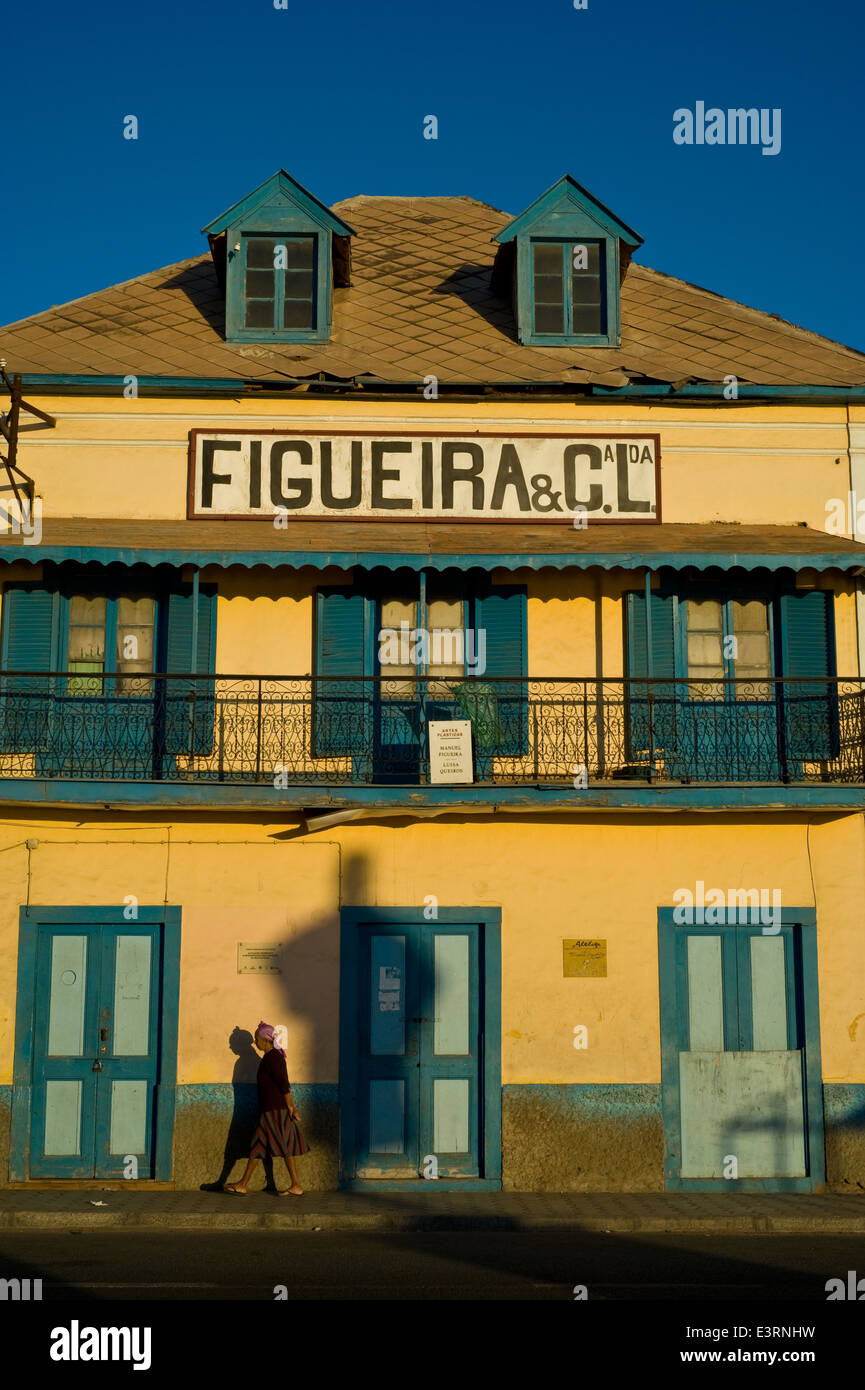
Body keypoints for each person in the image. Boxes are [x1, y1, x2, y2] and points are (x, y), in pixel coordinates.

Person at [224, 1021, 309, 1196]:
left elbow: (283, 1084)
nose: (255, 1043)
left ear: (265, 1040)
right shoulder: (271, 1057)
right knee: (259, 1146)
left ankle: (295, 1184)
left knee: (279, 1147)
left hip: (274, 1111)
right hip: (270, 1110)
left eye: (257, 1039)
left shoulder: (272, 1058)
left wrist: (291, 1107)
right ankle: (244, 1183)